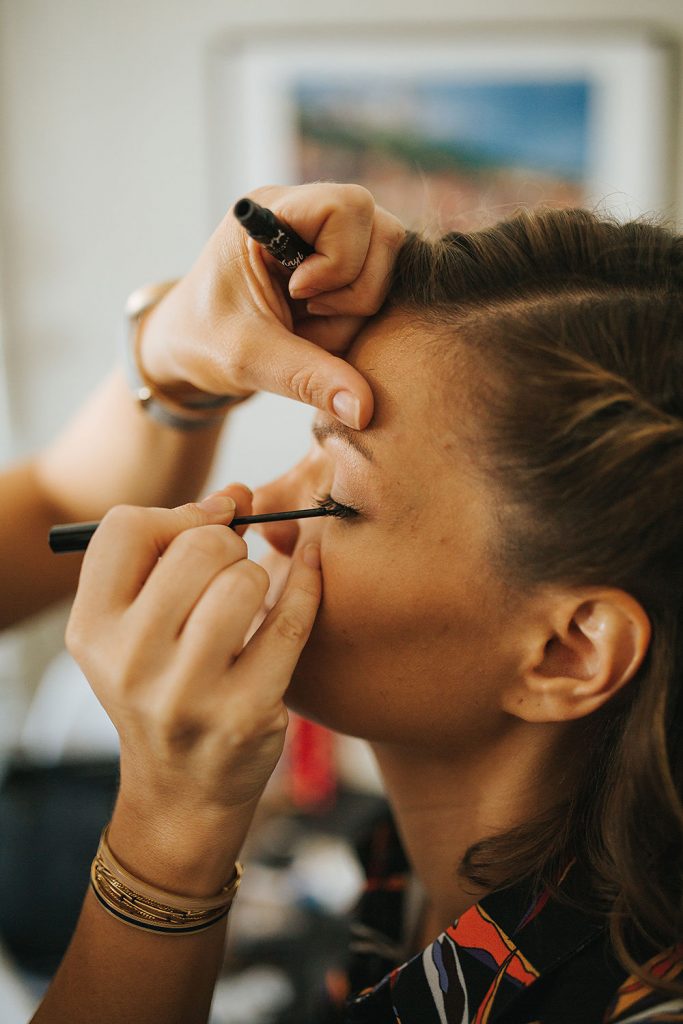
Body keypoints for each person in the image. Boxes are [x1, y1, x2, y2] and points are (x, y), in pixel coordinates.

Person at [27, 183, 683, 1022]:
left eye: (334, 492)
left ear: (567, 650)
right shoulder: (400, 870)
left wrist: (170, 823)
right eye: (309, 447)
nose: (268, 506)